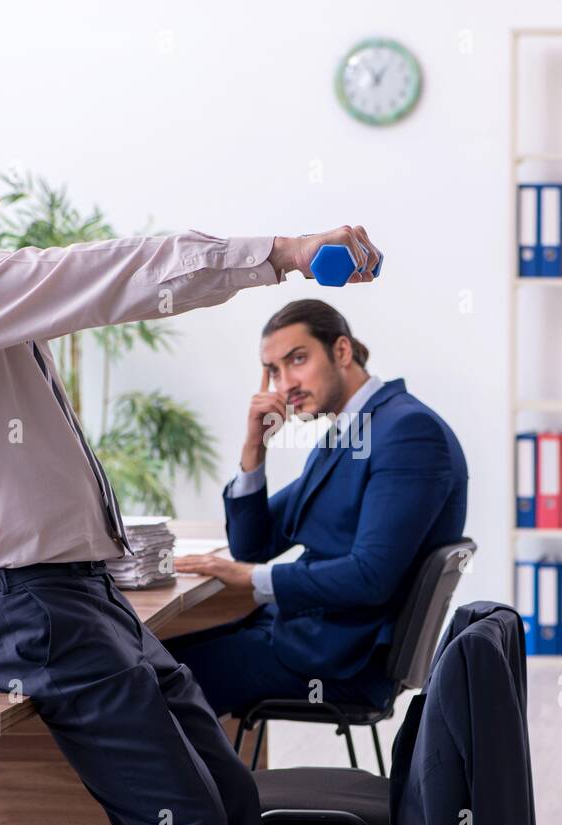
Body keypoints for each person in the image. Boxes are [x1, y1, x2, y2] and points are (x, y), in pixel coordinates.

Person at [0, 114, 381, 825]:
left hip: (76, 595)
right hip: (21, 604)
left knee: (228, 795)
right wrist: (283, 253)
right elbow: (103, 272)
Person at [170, 299, 467, 718]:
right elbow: (253, 544)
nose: (285, 383)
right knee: (152, 657)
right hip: (305, 633)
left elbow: (370, 577)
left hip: (340, 659)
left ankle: (197, 784)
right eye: (274, 370)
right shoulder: (347, 433)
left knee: (154, 678)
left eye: (298, 360)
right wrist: (254, 448)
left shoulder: (405, 432)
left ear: (341, 351)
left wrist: (249, 578)